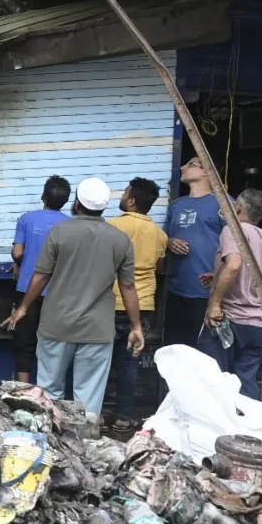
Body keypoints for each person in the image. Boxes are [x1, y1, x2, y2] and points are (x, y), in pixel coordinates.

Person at [3, 178, 144, 421]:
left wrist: (23, 308)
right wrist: (136, 326)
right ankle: (86, 447)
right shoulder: (120, 240)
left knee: (49, 392)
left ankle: (52, 449)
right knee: (88, 400)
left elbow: (41, 275)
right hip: (97, 330)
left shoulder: (60, 232)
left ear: (77, 202)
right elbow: (128, 286)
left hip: (56, 325)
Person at [198, 188, 262, 400]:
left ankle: (215, 431)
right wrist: (218, 277)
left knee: (214, 381)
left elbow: (234, 266)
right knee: (246, 384)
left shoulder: (233, 230)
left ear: (239, 207)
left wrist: (214, 303)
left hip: (230, 322)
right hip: (258, 327)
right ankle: (246, 430)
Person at [107, 178, 168, 431]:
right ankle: (123, 416)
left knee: (101, 360)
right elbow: (160, 268)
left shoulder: (112, 226)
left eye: (124, 192)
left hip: (113, 301)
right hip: (143, 305)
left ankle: (97, 414)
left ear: (131, 200)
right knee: (129, 362)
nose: (122, 195)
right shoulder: (160, 235)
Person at [10, 176, 71, 383]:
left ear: (43, 195)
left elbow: (18, 252)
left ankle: (24, 388)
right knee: (51, 344)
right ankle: (47, 389)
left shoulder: (26, 218)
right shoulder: (70, 225)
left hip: (27, 289)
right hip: (57, 293)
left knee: (23, 341)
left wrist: (20, 261)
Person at [165, 156, 224, 348]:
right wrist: (169, 242)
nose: (182, 167)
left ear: (207, 172)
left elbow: (237, 246)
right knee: (173, 349)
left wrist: (221, 277)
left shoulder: (223, 204)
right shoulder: (176, 205)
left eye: (190, 164)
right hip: (176, 289)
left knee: (199, 352)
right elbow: (163, 238)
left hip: (206, 292)